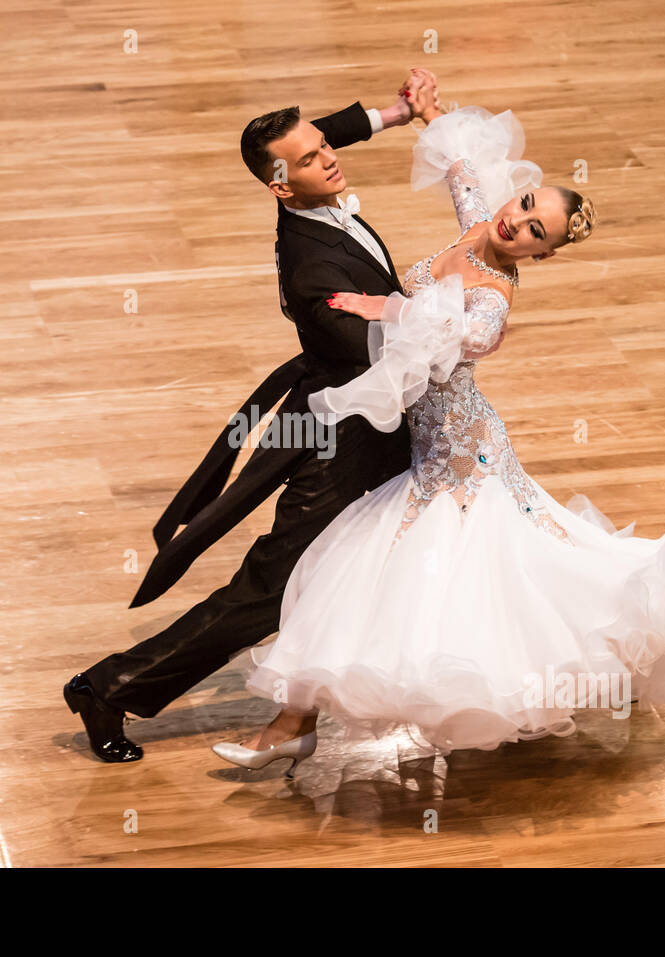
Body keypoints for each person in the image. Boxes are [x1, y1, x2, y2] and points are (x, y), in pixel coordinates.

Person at [212, 96, 665, 776]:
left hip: (460, 457)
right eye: (523, 205)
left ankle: (295, 721)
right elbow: (461, 161)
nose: (514, 221)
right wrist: (421, 110)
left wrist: (381, 304)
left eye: (532, 231)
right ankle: (293, 722)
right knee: (367, 576)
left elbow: (450, 335)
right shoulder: (476, 226)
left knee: (421, 580)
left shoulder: (493, 300)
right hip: (437, 445)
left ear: (539, 256)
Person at [64, 72, 446, 762]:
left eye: (324, 145)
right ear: (281, 187)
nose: (328, 156)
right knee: (271, 591)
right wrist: (458, 319)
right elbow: (385, 352)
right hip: (343, 439)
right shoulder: (311, 270)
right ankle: (108, 685)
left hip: (373, 425)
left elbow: (314, 136)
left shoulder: (305, 187)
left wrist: (393, 113)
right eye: (309, 159)